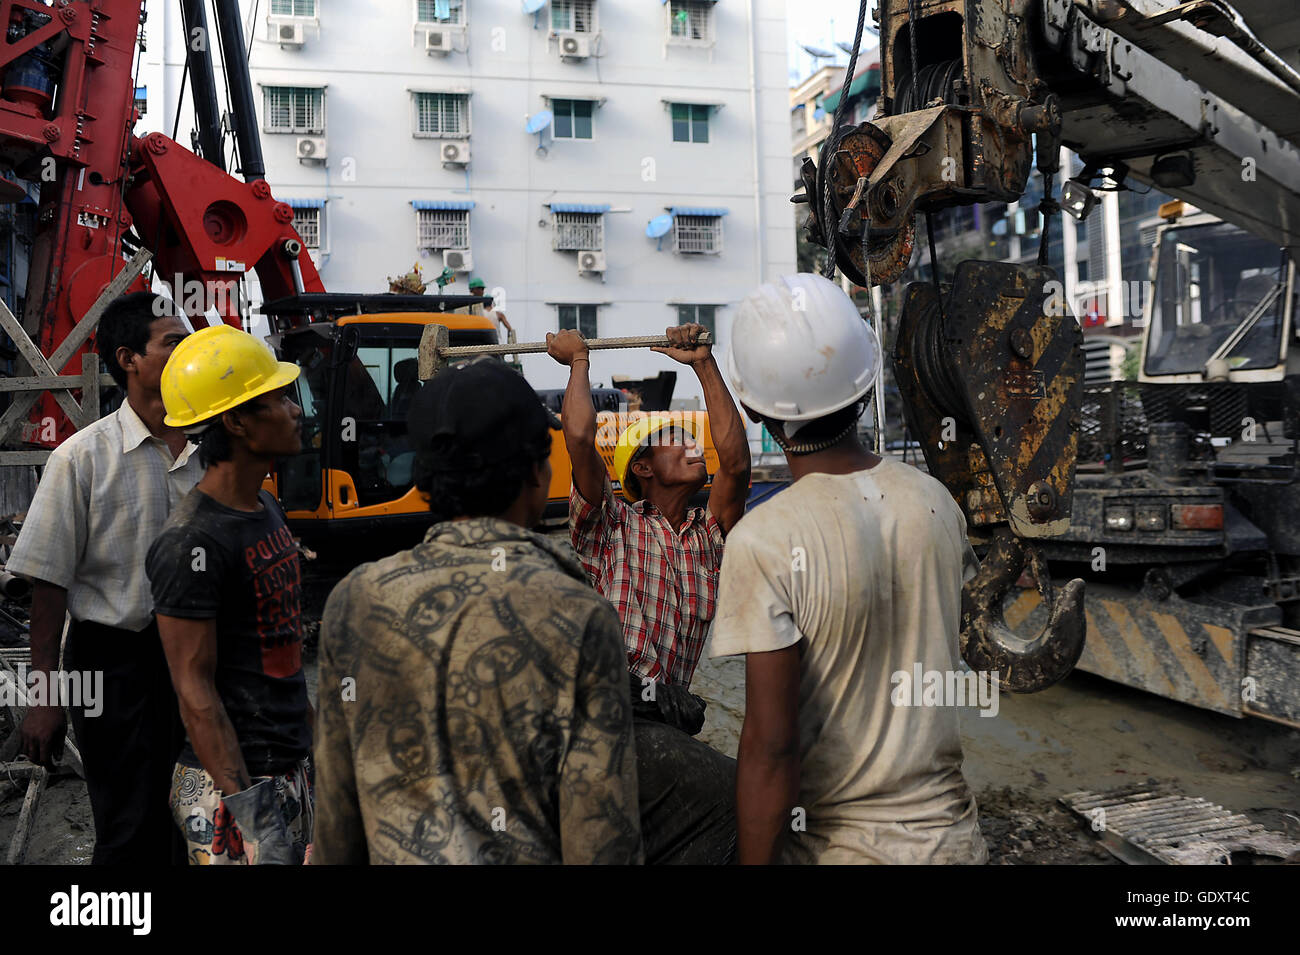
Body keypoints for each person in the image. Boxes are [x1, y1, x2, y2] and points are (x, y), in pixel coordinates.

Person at [312, 358, 641, 864]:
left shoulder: (357, 600)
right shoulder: (580, 615)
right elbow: (600, 839)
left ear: (424, 478)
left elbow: (336, 818)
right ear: (535, 472)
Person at [709, 274, 989, 865]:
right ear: (864, 389)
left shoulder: (763, 539)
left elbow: (771, 749)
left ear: (755, 406)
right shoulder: (936, 501)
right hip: (953, 843)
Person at [6, 292, 197, 865]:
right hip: (115, 666)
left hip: (197, 662)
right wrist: (44, 699)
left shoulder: (212, 453)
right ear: (128, 358)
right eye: (172, 341)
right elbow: (48, 585)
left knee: (196, 821)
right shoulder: (81, 459)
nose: (189, 351)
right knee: (128, 828)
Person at [547, 322, 749, 864]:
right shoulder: (612, 527)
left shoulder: (709, 538)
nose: (691, 446)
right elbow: (581, 439)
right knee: (739, 804)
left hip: (667, 720)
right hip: (611, 709)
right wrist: (579, 363)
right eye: (675, 443)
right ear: (641, 468)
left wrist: (704, 365)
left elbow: (737, 461)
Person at [146, 325, 313, 865]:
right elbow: (194, 689)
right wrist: (252, 813)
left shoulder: (266, 509)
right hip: (230, 789)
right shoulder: (191, 540)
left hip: (286, 768)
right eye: (279, 399)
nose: (295, 410)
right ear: (237, 421)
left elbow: (284, 654)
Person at [470, 277, 513, 343]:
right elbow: (509, 328)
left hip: (484, 342)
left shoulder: (479, 313)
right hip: (498, 341)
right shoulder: (499, 314)